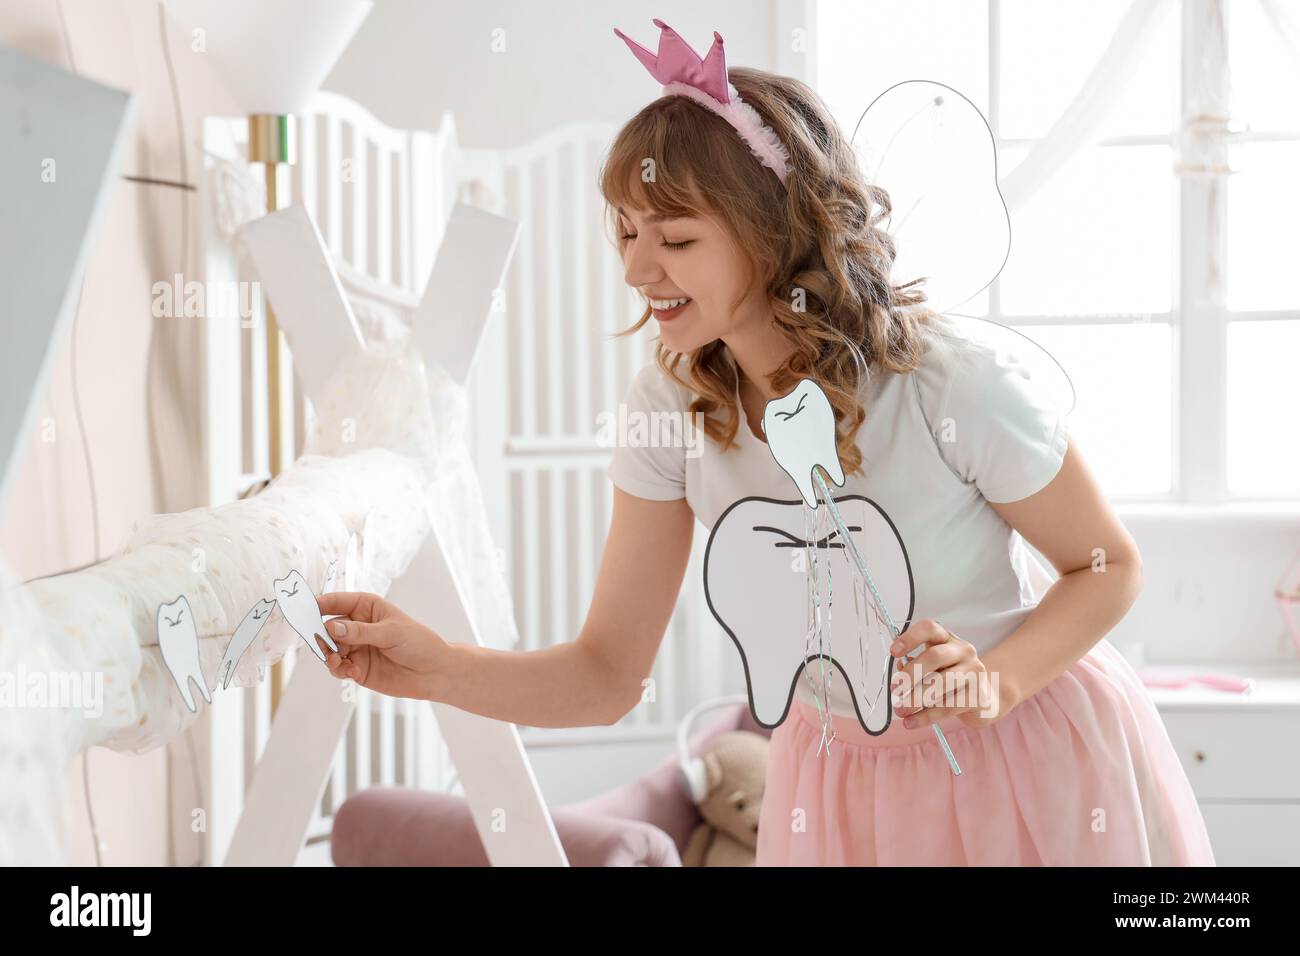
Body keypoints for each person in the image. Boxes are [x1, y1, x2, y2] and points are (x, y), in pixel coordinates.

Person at [318, 21, 1214, 866]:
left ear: (774, 232)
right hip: (834, 783)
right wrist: (436, 668)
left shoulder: (946, 383)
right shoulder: (669, 406)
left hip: (1022, 762)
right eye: (626, 233)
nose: (635, 269)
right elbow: (606, 674)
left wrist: (995, 679)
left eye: (673, 237)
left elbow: (1108, 565)